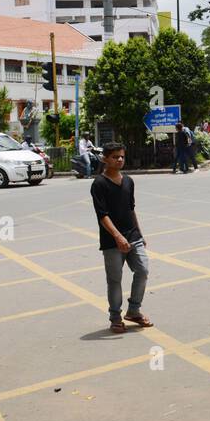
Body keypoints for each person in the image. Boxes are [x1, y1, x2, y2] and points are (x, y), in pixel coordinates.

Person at [90, 143, 154, 335]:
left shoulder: (128, 181)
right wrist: (117, 236)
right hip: (111, 241)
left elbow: (130, 208)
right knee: (115, 280)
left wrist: (140, 234)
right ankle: (115, 318)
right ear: (105, 159)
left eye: (122, 157)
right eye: (115, 157)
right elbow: (102, 215)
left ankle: (134, 310)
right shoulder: (99, 184)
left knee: (142, 270)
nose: (119, 160)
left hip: (132, 236)